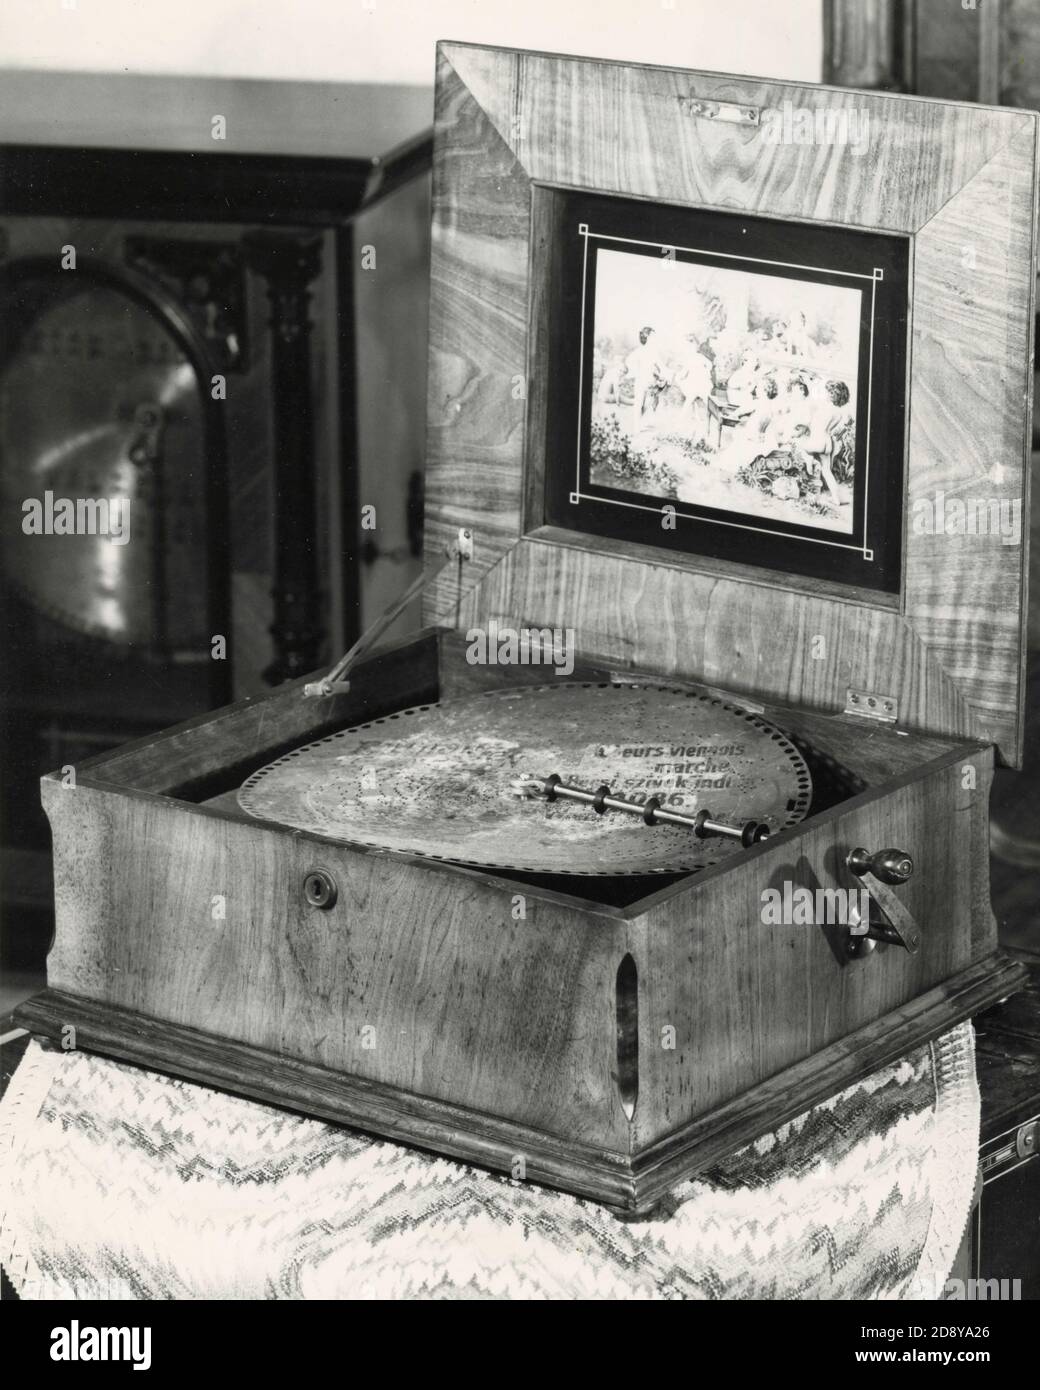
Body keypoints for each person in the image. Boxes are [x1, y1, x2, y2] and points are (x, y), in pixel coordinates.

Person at [626, 326, 666, 426]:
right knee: (639, 403)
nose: (655, 338)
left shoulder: (654, 352)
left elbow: (661, 366)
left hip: (651, 381)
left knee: (648, 403)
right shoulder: (640, 350)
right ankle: (636, 427)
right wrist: (636, 371)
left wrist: (664, 375)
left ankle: (640, 423)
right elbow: (628, 361)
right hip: (641, 379)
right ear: (647, 337)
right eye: (653, 336)